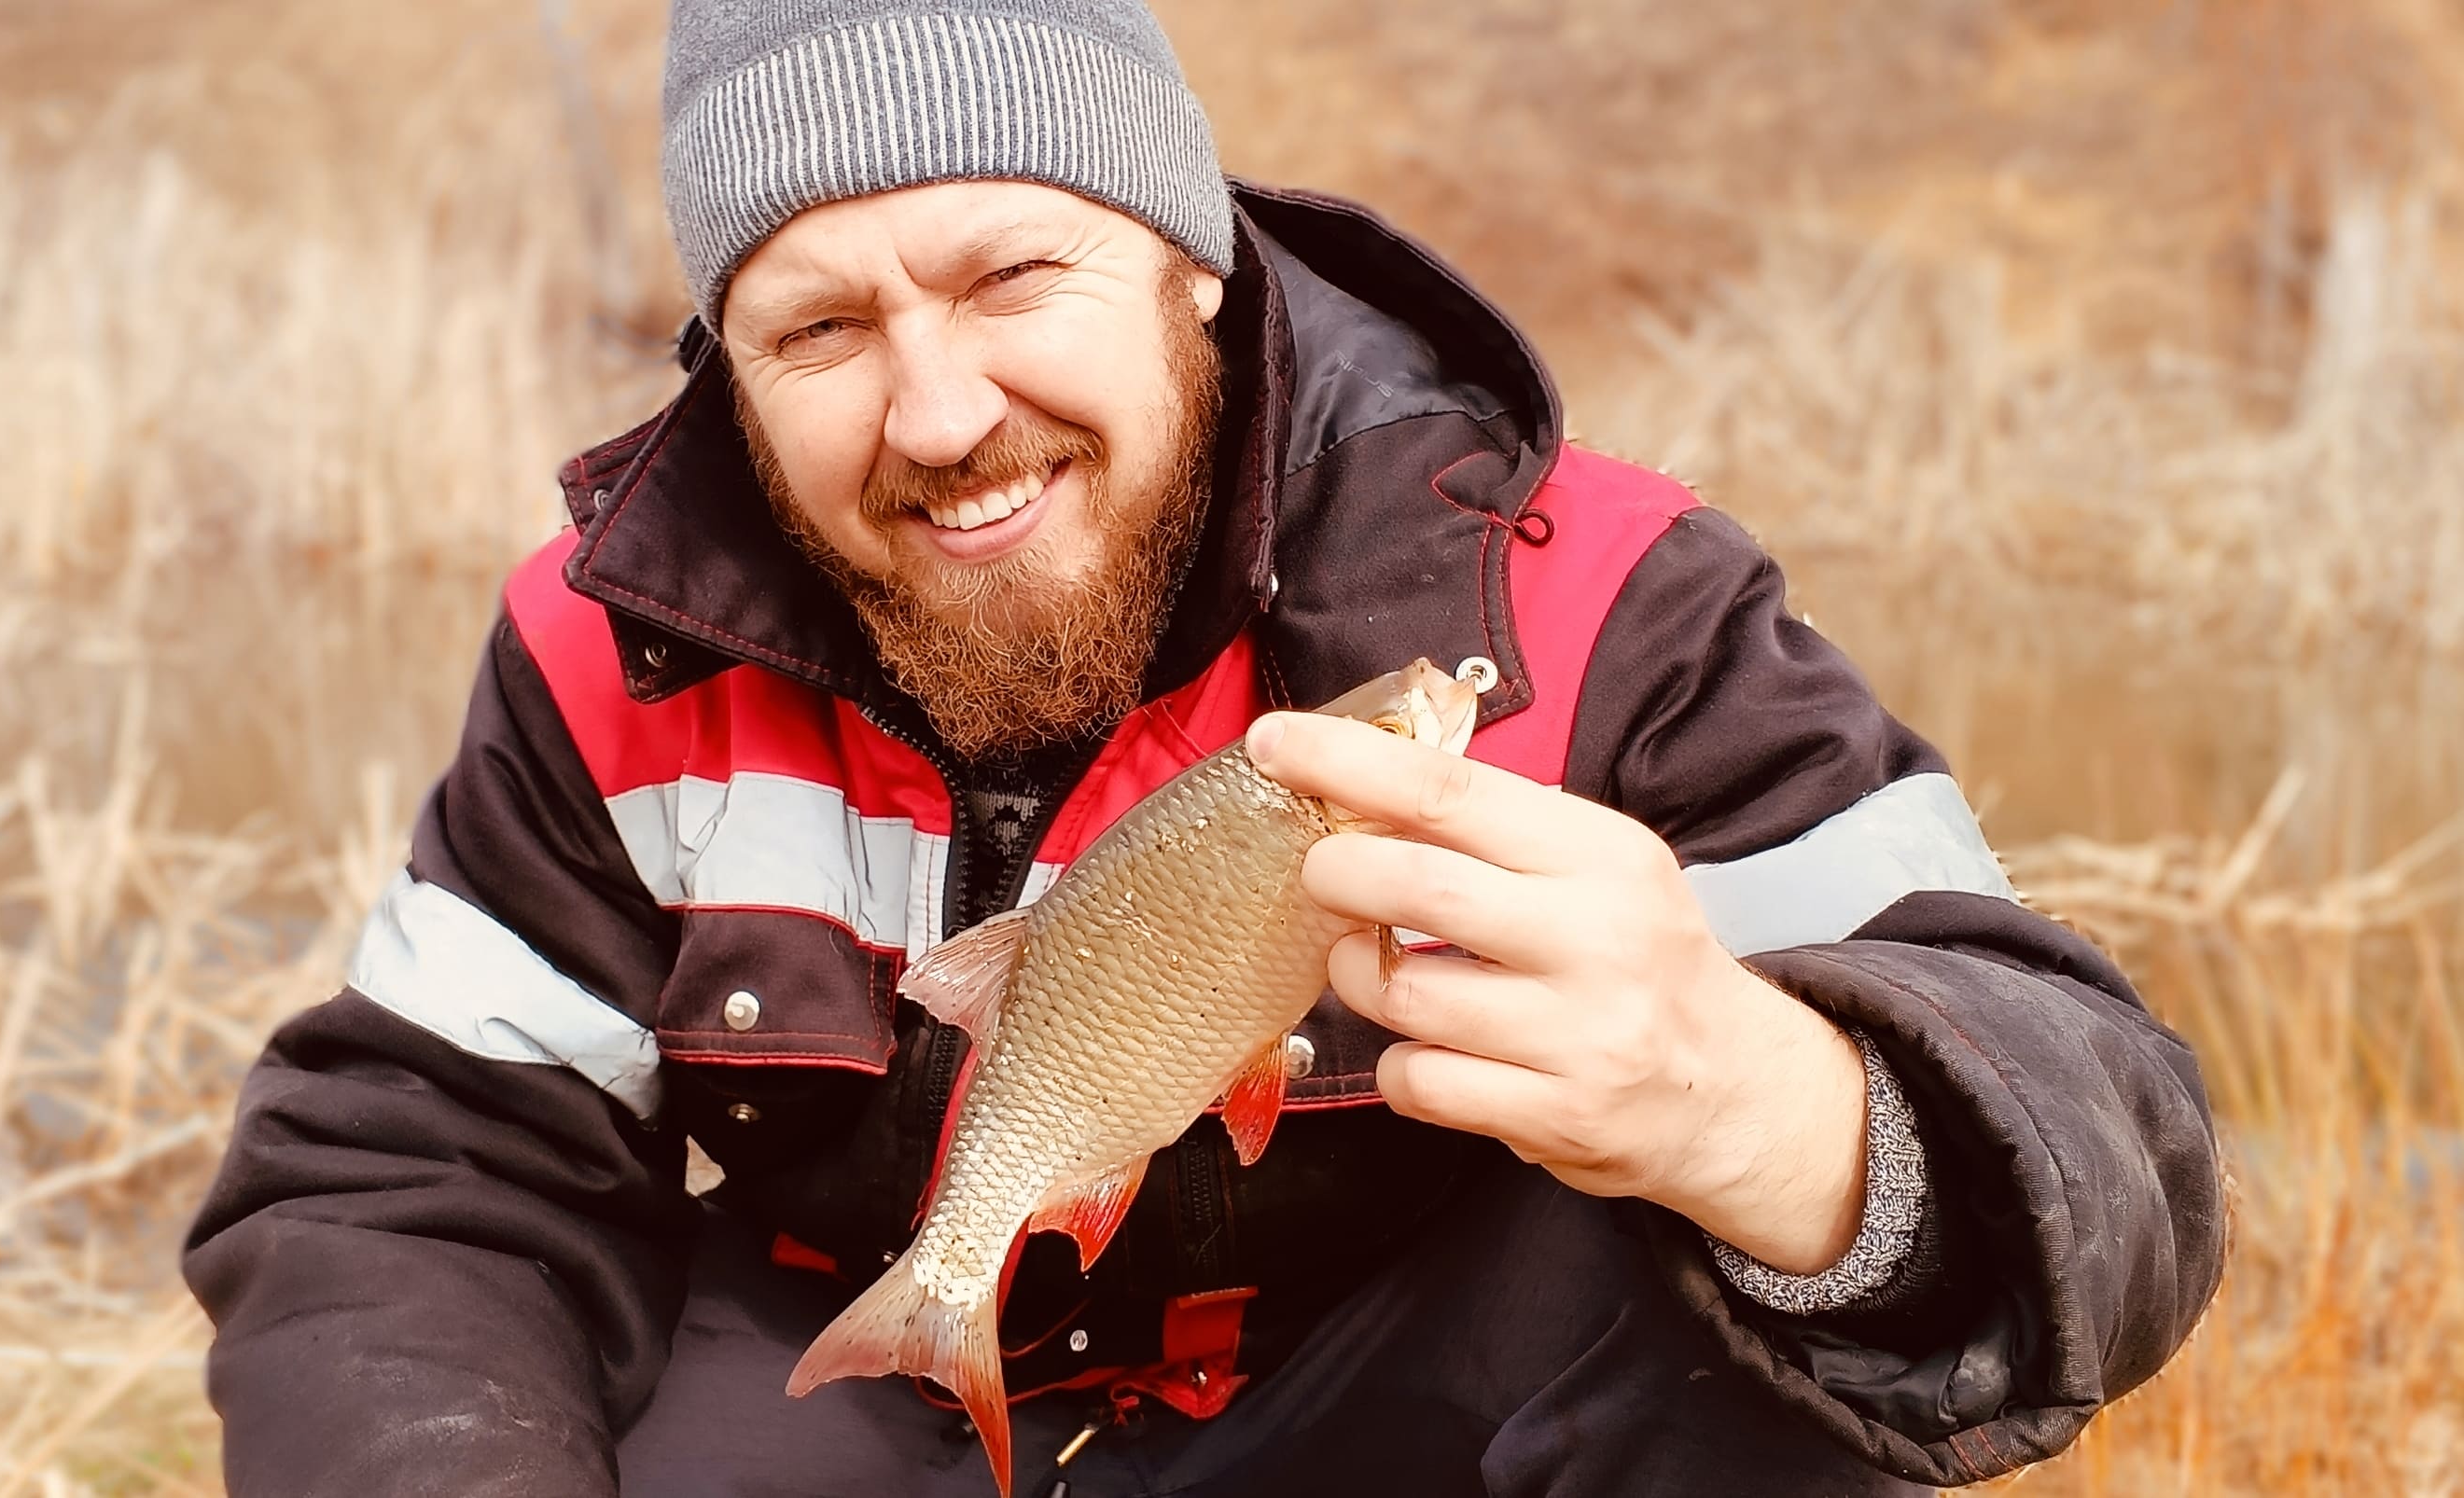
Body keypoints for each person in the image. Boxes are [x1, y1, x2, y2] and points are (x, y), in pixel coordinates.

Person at [183, 2, 2227, 1493]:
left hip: (1417, 1403)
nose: (938, 411)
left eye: (1010, 275)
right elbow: (418, 1173)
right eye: (819, 328)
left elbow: (2099, 1119)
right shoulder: (605, 648)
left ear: (1191, 256)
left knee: (1726, 1327)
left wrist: (1775, 1107)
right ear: (729, 364)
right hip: (882, 1384)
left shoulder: (1596, 593)